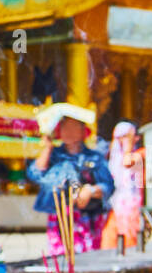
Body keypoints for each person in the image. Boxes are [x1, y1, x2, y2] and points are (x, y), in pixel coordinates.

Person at [28, 105, 113, 256]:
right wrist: (47, 148)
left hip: (87, 219)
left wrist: (91, 191)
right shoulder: (54, 156)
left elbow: (108, 185)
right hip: (61, 219)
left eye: (74, 127)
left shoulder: (94, 157)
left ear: (83, 131)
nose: (69, 132)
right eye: (66, 128)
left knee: (89, 260)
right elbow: (35, 175)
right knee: (61, 261)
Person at [100, 121, 144, 250]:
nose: (122, 141)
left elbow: (127, 163)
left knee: (129, 245)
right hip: (113, 208)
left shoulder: (141, 153)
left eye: (126, 136)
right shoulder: (112, 158)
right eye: (119, 137)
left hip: (131, 210)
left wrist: (128, 145)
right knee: (108, 244)